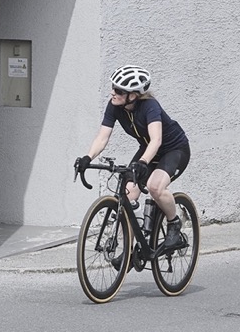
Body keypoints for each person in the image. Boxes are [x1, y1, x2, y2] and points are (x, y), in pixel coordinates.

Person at [77, 68, 190, 239]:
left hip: (174, 150)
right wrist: (88, 157)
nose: (112, 93)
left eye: (119, 90)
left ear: (133, 95)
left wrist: (143, 162)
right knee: (127, 195)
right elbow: (102, 137)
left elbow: (156, 140)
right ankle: (128, 252)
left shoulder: (150, 106)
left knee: (155, 187)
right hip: (147, 150)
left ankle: (173, 222)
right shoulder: (115, 106)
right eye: (113, 87)